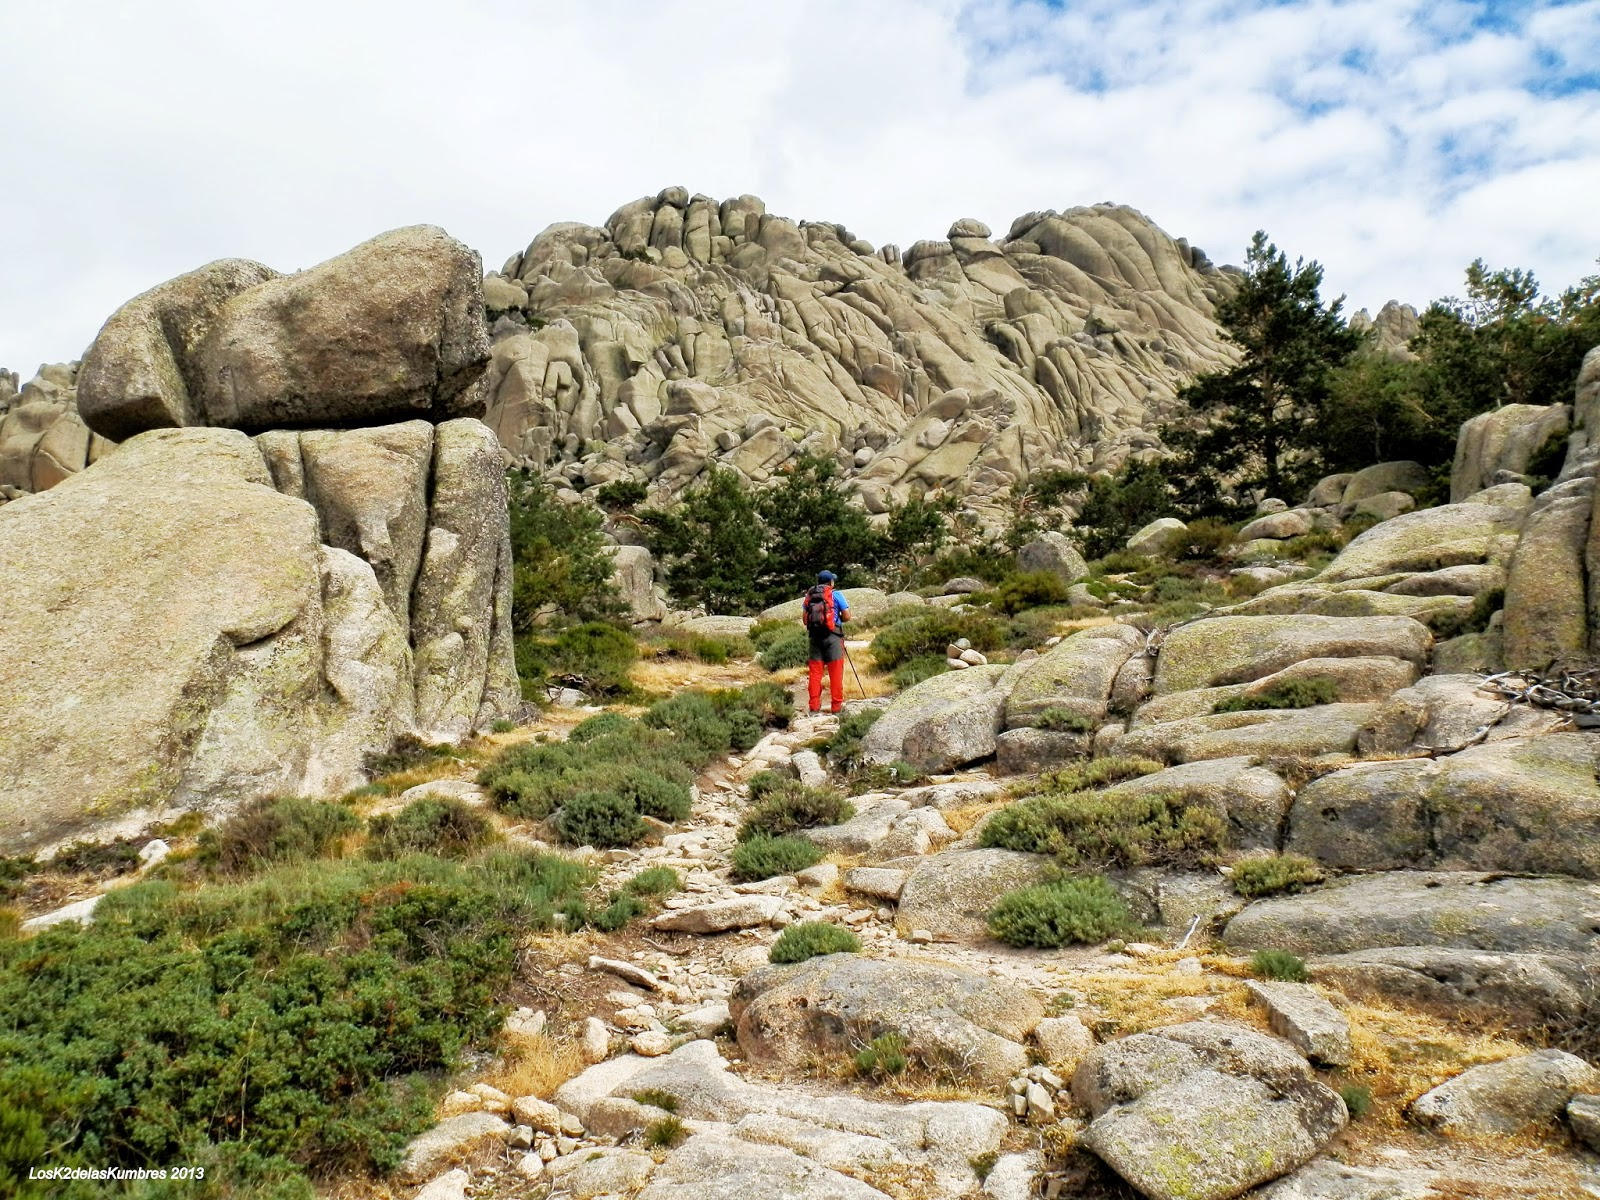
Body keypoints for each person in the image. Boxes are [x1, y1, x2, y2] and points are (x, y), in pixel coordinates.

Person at [801, 570, 851, 714]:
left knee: (815, 674)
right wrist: (837, 617)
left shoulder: (810, 596)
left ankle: (814, 707)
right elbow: (847, 616)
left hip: (815, 638)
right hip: (833, 637)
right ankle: (836, 708)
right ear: (831, 582)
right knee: (835, 673)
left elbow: (805, 620)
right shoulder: (836, 595)